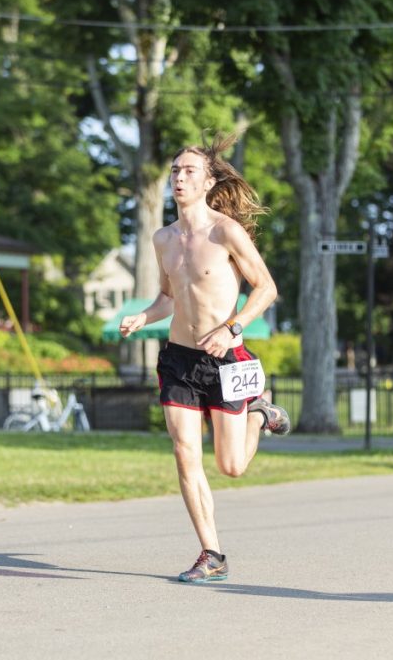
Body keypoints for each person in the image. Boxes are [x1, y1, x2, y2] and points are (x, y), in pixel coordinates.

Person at [120, 132, 291, 584]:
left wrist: (233, 328)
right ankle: (211, 553)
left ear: (209, 181)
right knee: (184, 454)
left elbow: (267, 288)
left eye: (189, 171)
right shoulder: (163, 239)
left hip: (227, 359)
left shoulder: (225, 231)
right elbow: (167, 298)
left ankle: (260, 413)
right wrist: (143, 317)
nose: (179, 177)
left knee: (231, 466)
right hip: (179, 359)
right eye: (175, 170)